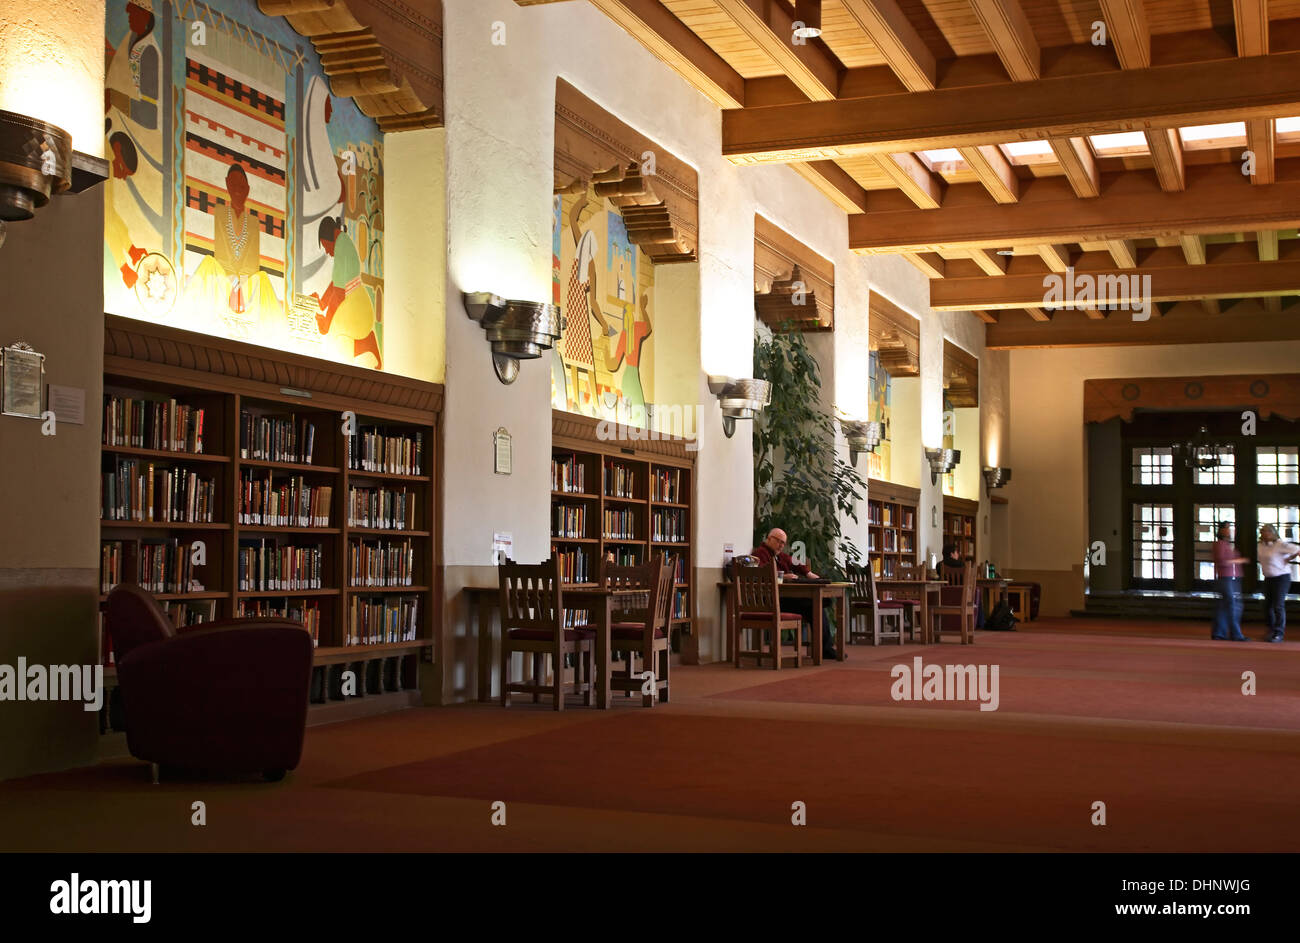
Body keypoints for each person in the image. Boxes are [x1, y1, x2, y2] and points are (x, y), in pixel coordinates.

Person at [750, 527, 839, 659]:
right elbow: (762, 574)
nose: (781, 545)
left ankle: (825, 649)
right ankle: (825, 649)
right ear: (769, 539)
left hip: (781, 598)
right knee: (815, 604)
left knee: (815, 605)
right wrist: (784, 577)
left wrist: (808, 573)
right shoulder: (760, 553)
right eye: (778, 541)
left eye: (783, 543)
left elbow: (794, 562)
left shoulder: (779, 556)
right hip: (770, 600)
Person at [1257, 524, 1299, 643]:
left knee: (1278, 605)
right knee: (1267, 606)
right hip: (1268, 578)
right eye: (1262, 531)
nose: (1263, 533)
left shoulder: (1280, 545)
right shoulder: (1260, 545)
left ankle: (1279, 633)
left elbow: (1297, 550)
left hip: (1281, 578)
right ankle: (1271, 630)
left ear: (1272, 533)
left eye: (1265, 531)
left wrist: (1289, 558)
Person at [1212, 522, 1250, 642]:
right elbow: (1222, 561)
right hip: (1226, 578)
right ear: (1221, 531)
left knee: (1225, 606)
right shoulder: (1219, 545)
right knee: (1232, 606)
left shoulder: (1228, 545)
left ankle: (1219, 633)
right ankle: (1235, 634)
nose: (1230, 531)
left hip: (1233, 578)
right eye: (1227, 528)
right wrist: (1239, 560)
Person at [940, 543, 984, 629]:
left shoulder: (939, 565)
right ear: (952, 554)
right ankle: (980, 623)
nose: (958, 554)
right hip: (961, 595)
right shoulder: (962, 565)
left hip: (945, 595)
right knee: (976, 590)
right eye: (957, 552)